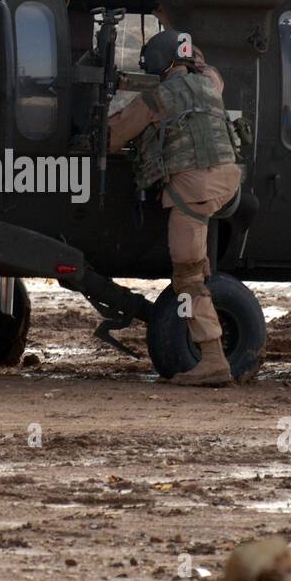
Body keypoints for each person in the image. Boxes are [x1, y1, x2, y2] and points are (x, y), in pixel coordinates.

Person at [108, 25, 243, 387]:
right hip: (225, 182)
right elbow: (207, 68)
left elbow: (112, 137)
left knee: (187, 277)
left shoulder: (158, 99)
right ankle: (202, 268)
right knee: (195, 258)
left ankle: (213, 359)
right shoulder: (210, 83)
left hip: (194, 189)